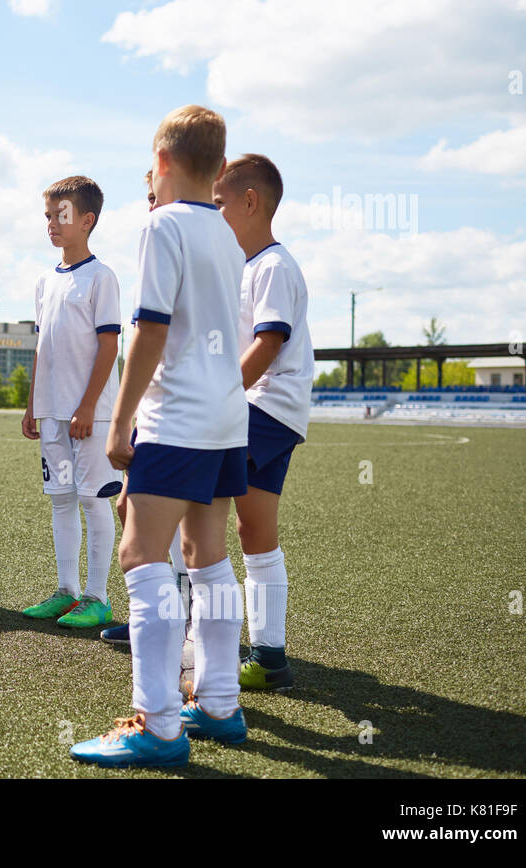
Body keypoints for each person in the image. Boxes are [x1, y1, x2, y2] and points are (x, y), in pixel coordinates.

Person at [70, 105, 248, 768]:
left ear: (163, 164)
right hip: (229, 419)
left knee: (141, 555)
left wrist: (122, 419)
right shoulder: (228, 234)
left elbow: (150, 327)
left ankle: (159, 723)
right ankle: (221, 705)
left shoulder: (161, 224)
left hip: (178, 420)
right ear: (222, 170)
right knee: (209, 557)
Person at [212, 154, 313, 691]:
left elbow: (268, 343)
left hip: (263, 408)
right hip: (272, 412)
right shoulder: (247, 267)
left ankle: (204, 643)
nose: (213, 211)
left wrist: (219, 397)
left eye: (219, 202)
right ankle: (270, 656)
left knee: (199, 514)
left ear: (250, 202)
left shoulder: (272, 265)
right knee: (255, 530)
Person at [20, 176, 122, 629]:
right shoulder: (45, 281)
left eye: (60, 215)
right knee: (61, 499)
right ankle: (66, 590)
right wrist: (32, 403)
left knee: (93, 500)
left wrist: (87, 405)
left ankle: (98, 597)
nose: (51, 224)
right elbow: (43, 348)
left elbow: (109, 348)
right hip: (53, 412)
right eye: (47, 215)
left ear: (87, 220)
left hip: (91, 414)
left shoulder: (101, 278)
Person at [100, 170, 190, 653]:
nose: (150, 208)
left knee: (158, 535)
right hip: (169, 408)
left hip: (179, 410)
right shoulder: (199, 237)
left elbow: (151, 332)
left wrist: (120, 420)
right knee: (131, 508)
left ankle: (172, 639)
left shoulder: (168, 234)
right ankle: (177, 632)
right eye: (148, 199)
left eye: (155, 196)